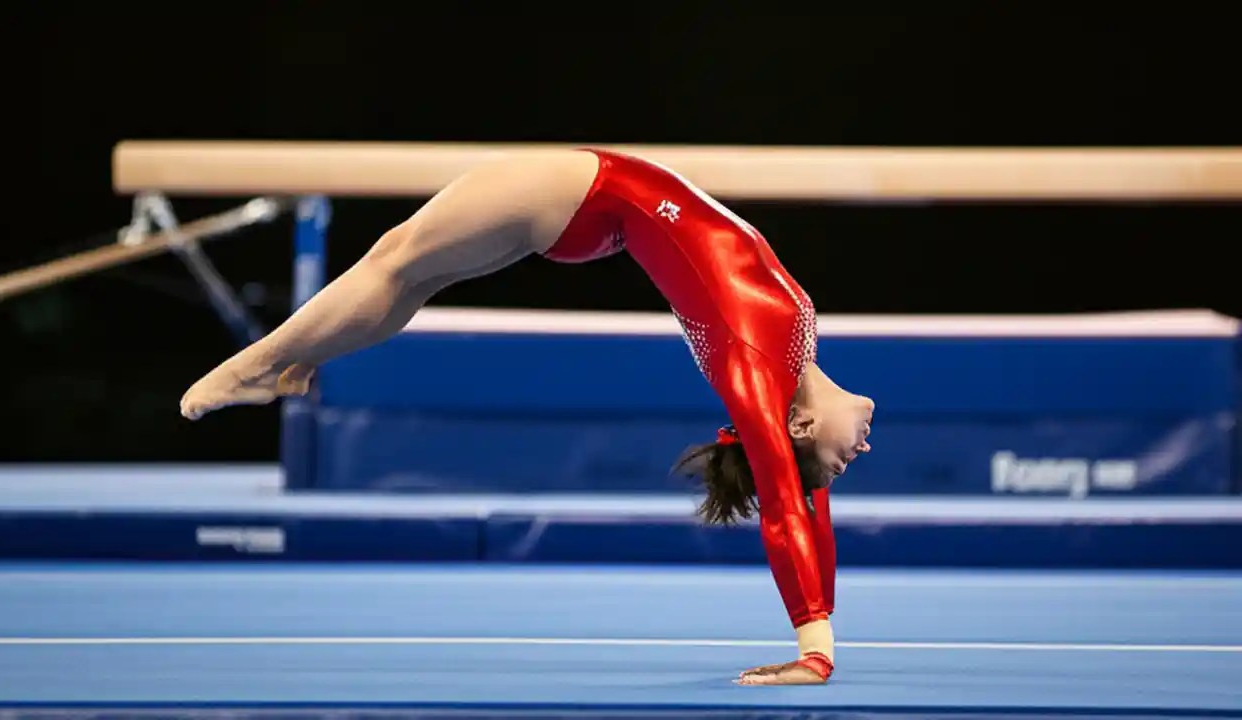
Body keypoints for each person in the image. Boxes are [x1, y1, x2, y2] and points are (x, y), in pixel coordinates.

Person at [179, 147, 876, 686]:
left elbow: (788, 501)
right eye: (844, 466)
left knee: (395, 259)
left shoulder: (758, 366)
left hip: (585, 193)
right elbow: (803, 500)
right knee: (410, 276)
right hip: (595, 214)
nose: (860, 453)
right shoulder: (792, 351)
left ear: (803, 428)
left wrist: (814, 650)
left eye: (843, 462)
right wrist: (821, 617)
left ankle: (252, 366)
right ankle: (297, 359)